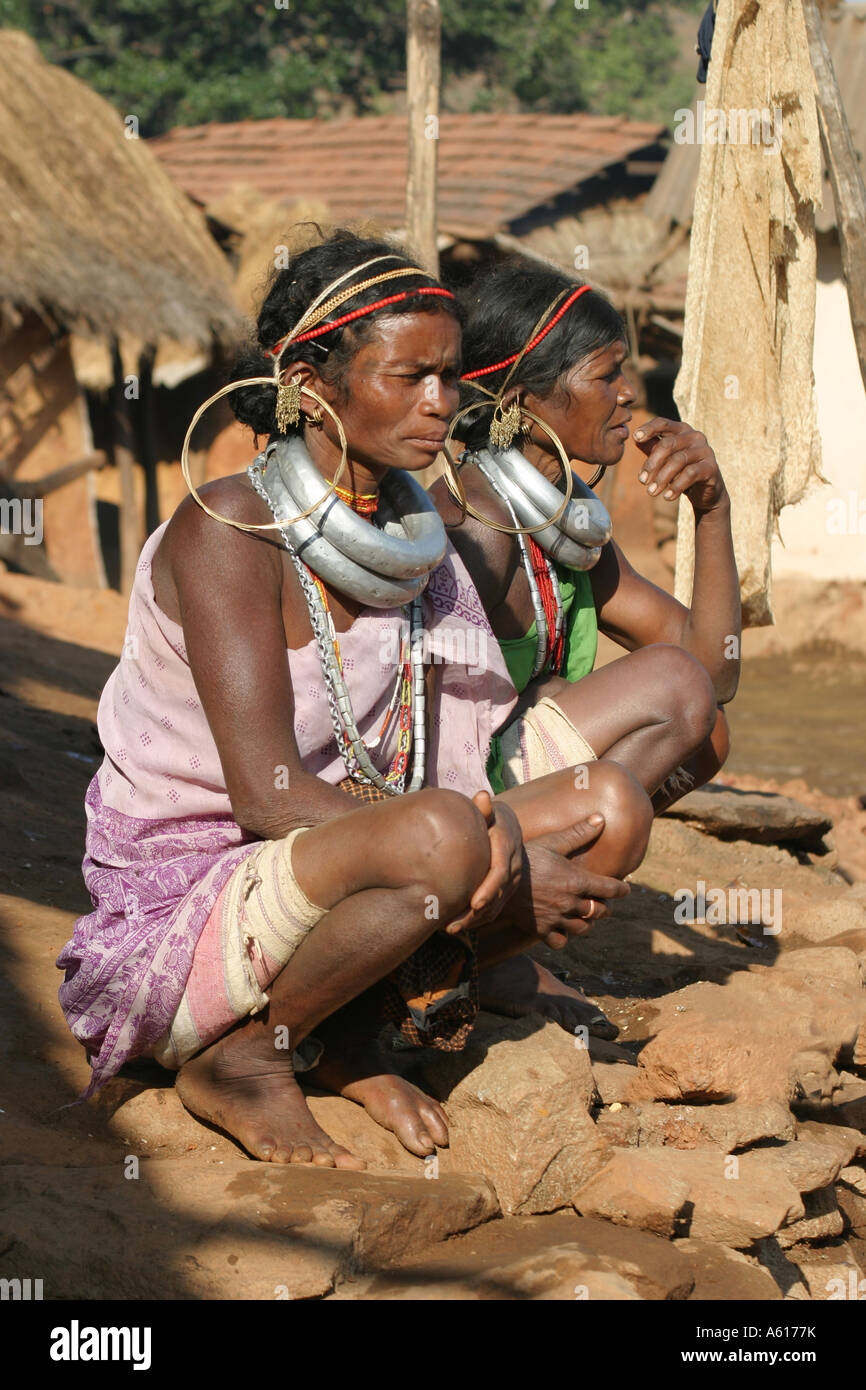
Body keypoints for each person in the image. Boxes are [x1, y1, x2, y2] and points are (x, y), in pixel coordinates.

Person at [58, 232, 649, 1168]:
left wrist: (477, 838)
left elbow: (457, 746)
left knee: (610, 806)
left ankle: (358, 1035)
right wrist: (482, 852)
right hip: (199, 888)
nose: (440, 404)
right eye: (409, 376)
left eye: (452, 379)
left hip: (359, 848)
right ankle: (248, 1055)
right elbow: (265, 795)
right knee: (452, 838)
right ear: (311, 382)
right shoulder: (229, 533)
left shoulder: (418, 535)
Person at [431, 259, 740, 1028]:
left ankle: (500, 952)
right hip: (443, 807)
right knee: (658, 719)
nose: (630, 395)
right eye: (607, 375)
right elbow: (417, 746)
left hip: (500, 791)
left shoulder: (566, 531)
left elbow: (717, 674)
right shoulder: (476, 526)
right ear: (524, 400)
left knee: (705, 728)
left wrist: (714, 511)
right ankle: (450, 953)